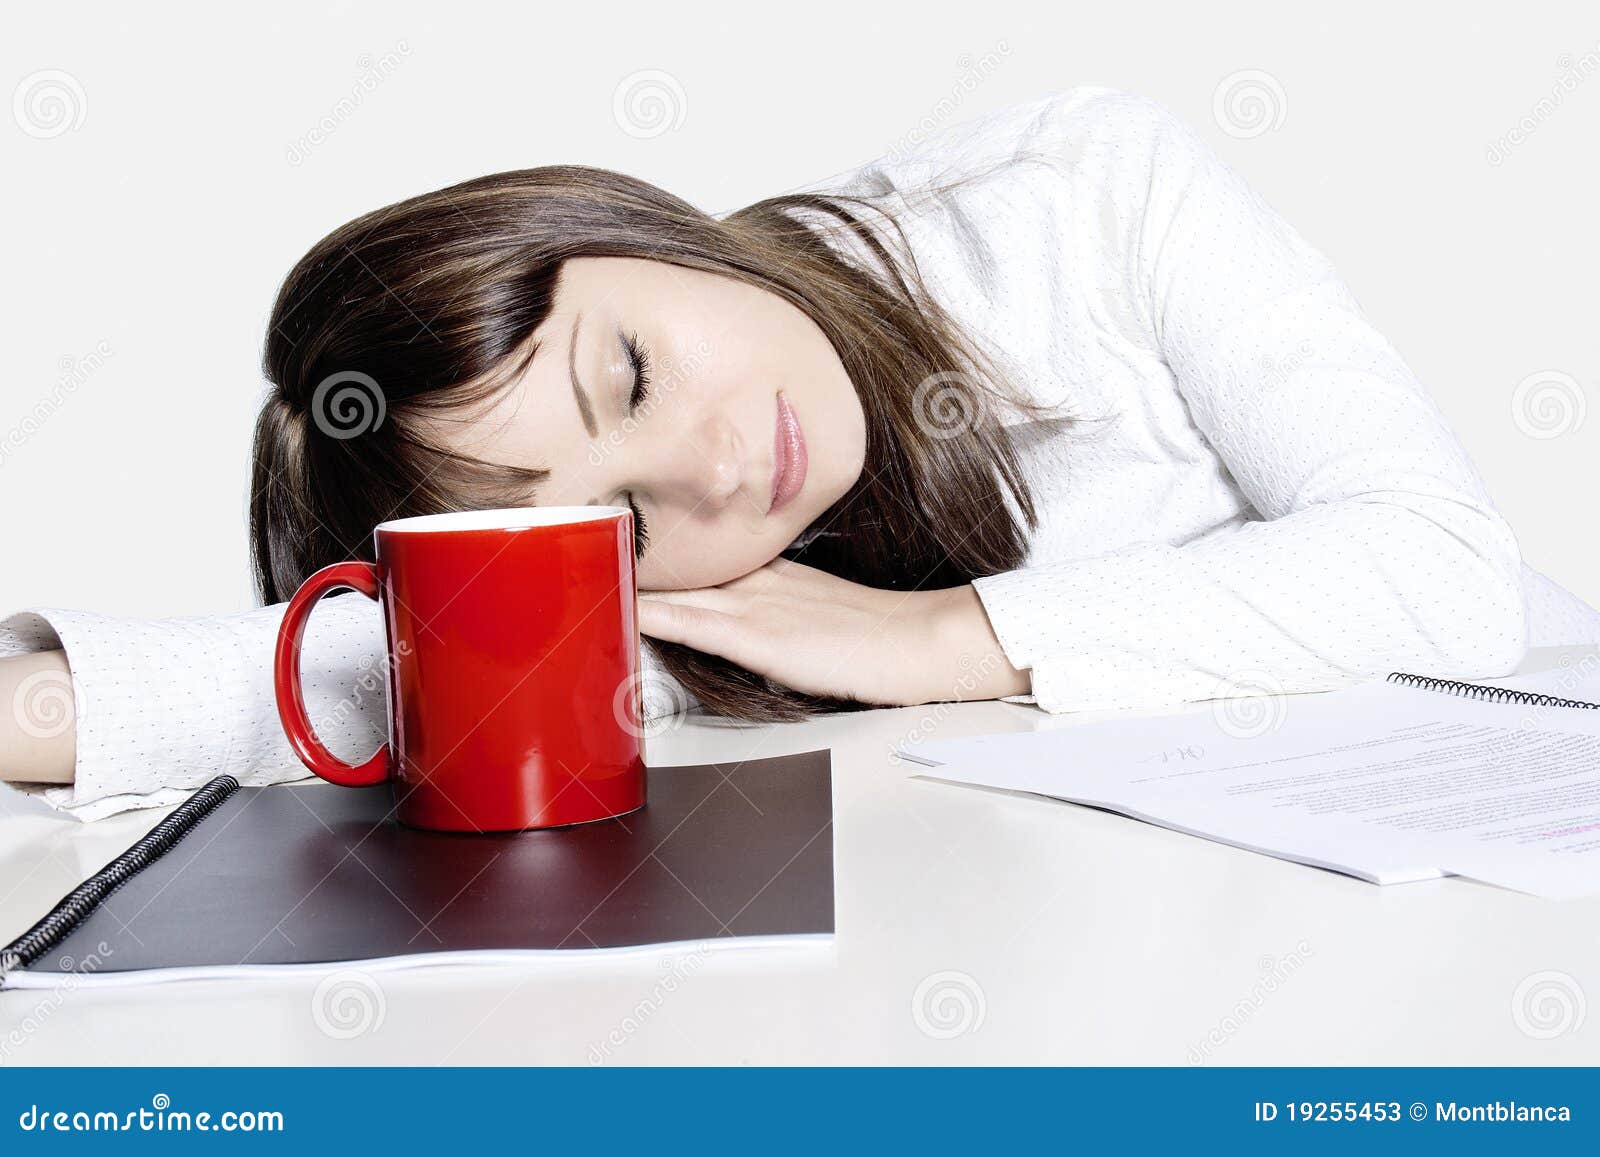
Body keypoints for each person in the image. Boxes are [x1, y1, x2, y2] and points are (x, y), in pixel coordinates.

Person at [4, 87, 1594, 822]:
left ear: (628, 226)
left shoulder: (1083, 194)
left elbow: (1444, 571)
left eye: (628, 367)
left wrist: (933, 636)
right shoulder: (715, 594)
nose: (708, 472)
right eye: (615, 520)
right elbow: (370, 666)